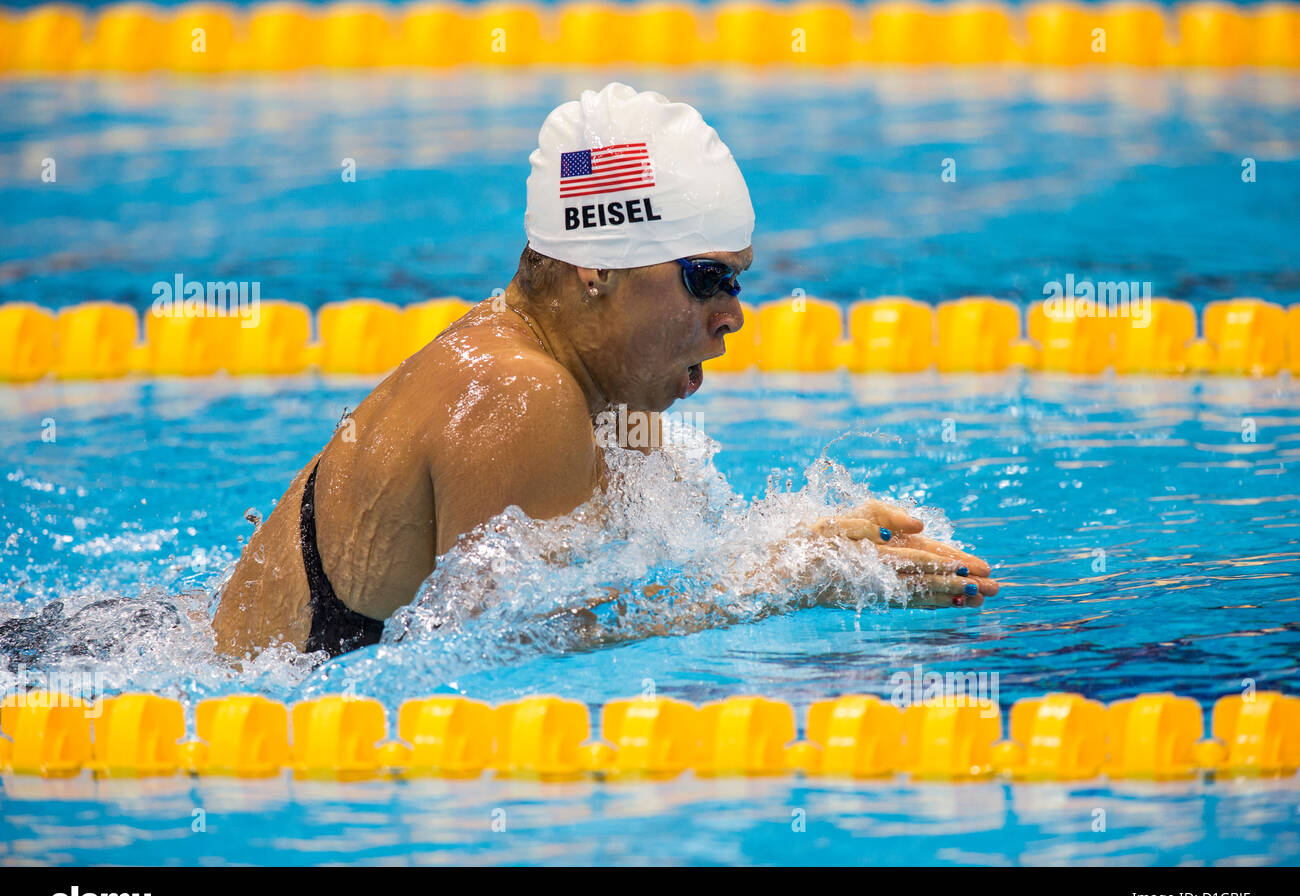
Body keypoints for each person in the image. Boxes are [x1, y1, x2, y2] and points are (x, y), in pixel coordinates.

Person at [212, 82, 998, 661]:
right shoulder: (519, 395)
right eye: (705, 278)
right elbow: (497, 652)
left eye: (739, 280)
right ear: (595, 269)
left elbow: (628, 587)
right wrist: (787, 580)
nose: (733, 314)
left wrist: (806, 542)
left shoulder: (604, 401)